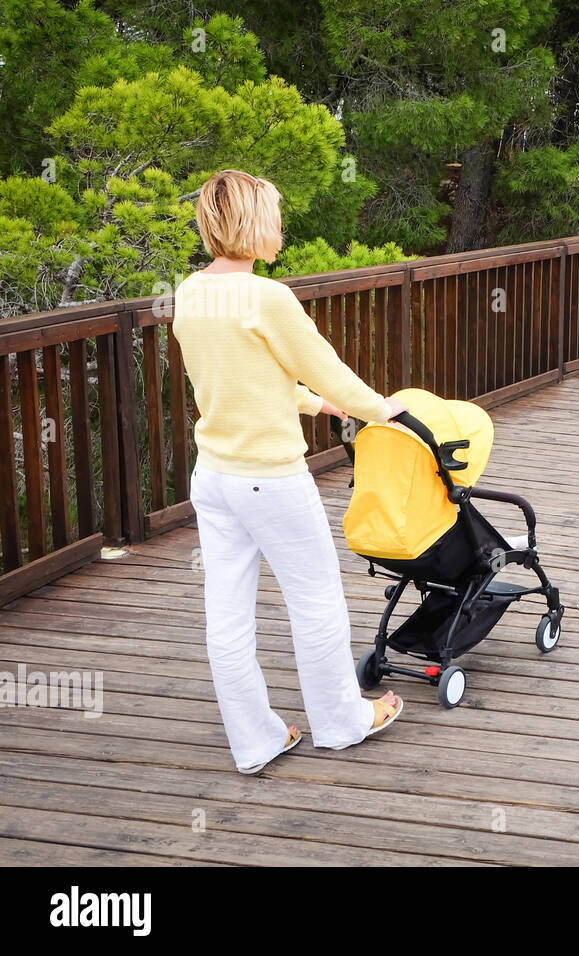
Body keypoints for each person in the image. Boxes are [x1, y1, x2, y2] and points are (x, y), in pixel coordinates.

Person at [173, 168, 407, 774]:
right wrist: (381, 411)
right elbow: (323, 367)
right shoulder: (266, 297)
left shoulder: (190, 292)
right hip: (269, 478)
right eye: (273, 216)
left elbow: (236, 379)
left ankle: (255, 743)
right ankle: (340, 723)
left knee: (226, 612)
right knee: (316, 600)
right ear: (254, 223)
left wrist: (311, 404)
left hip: (215, 478)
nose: (279, 227)